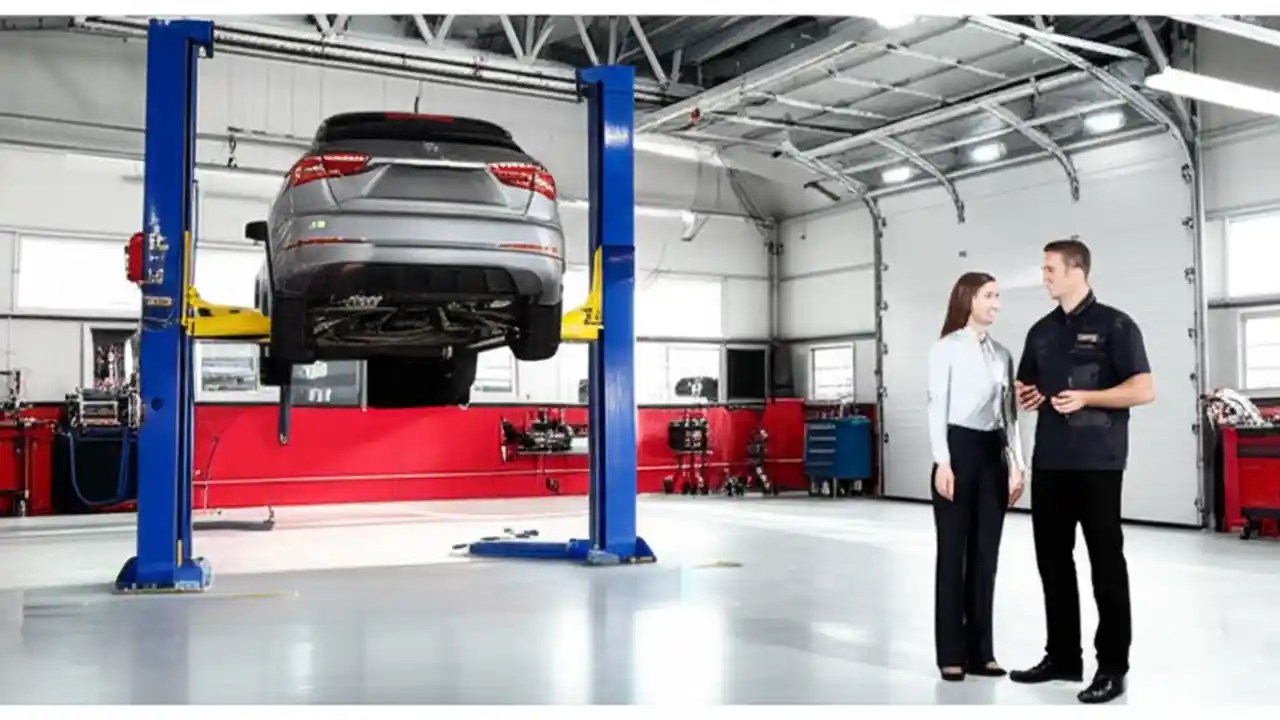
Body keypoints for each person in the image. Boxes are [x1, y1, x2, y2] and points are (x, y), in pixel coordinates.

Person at [1009, 238, 1154, 704]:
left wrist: (1089, 397)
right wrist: (1024, 396)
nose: (1044, 275)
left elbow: (1143, 389)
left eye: (1050, 268)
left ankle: (1113, 667)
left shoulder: (1116, 325)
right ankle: (1063, 657)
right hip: (1050, 460)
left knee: (1106, 566)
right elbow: (1025, 385)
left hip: (1099, 462)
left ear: (1077, 271)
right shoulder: (1040, 332)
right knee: (1052, 562)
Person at [926, 271, 1027, 682]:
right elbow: (937, 405)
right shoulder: (945, 350)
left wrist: (1018, 463)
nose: (996, 304)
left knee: (986, 556)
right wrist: (942, 461)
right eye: (989, 296)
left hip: (993, 454)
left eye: (998, 296)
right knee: (954, 556)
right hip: (957, 450)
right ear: (968, 299)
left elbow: (1010, 415)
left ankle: (981, 651)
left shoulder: (1002, 354)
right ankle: (950, 652)